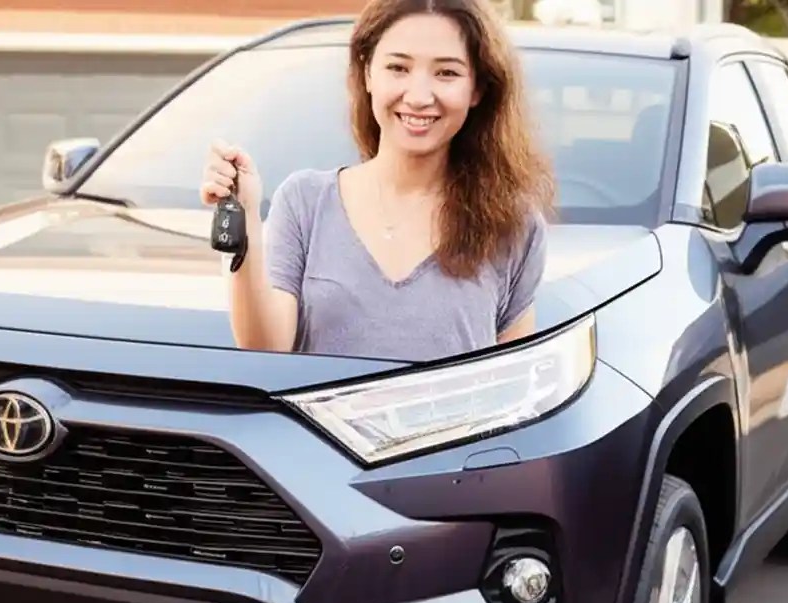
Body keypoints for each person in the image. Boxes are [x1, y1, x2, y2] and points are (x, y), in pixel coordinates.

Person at [199, 0, 556, 361]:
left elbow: (513, 385)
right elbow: (264, 346)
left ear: (477, 89)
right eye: (398, 67)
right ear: (367, 72)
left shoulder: (513, 225)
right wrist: (245, 225)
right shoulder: (305, 202)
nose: (418, 97)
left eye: (446, 73)